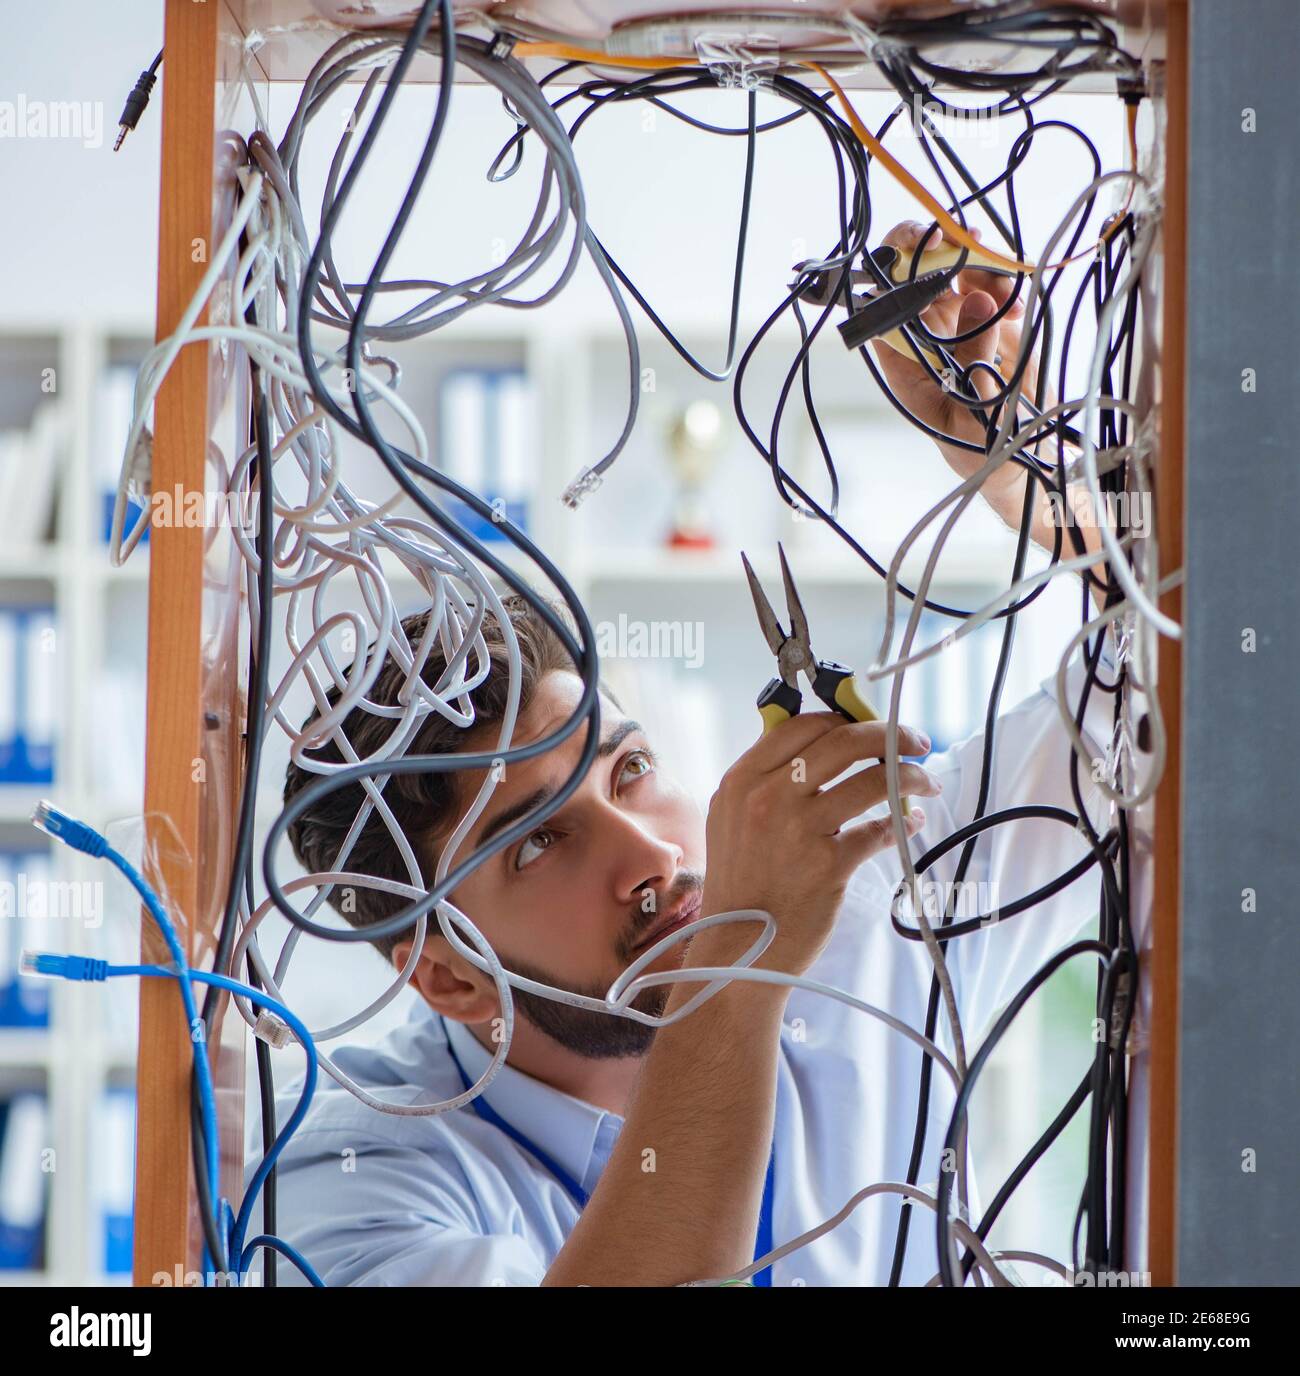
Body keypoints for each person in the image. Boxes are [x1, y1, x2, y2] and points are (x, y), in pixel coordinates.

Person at [257, 223, 1127, 1286]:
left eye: (628, 771)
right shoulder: (354, 1181)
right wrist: (740, 979)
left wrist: (1047, 494)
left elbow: (1165, 695)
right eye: (537, 842)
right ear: (443, 971)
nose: (648, 856)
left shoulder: (864, 923)